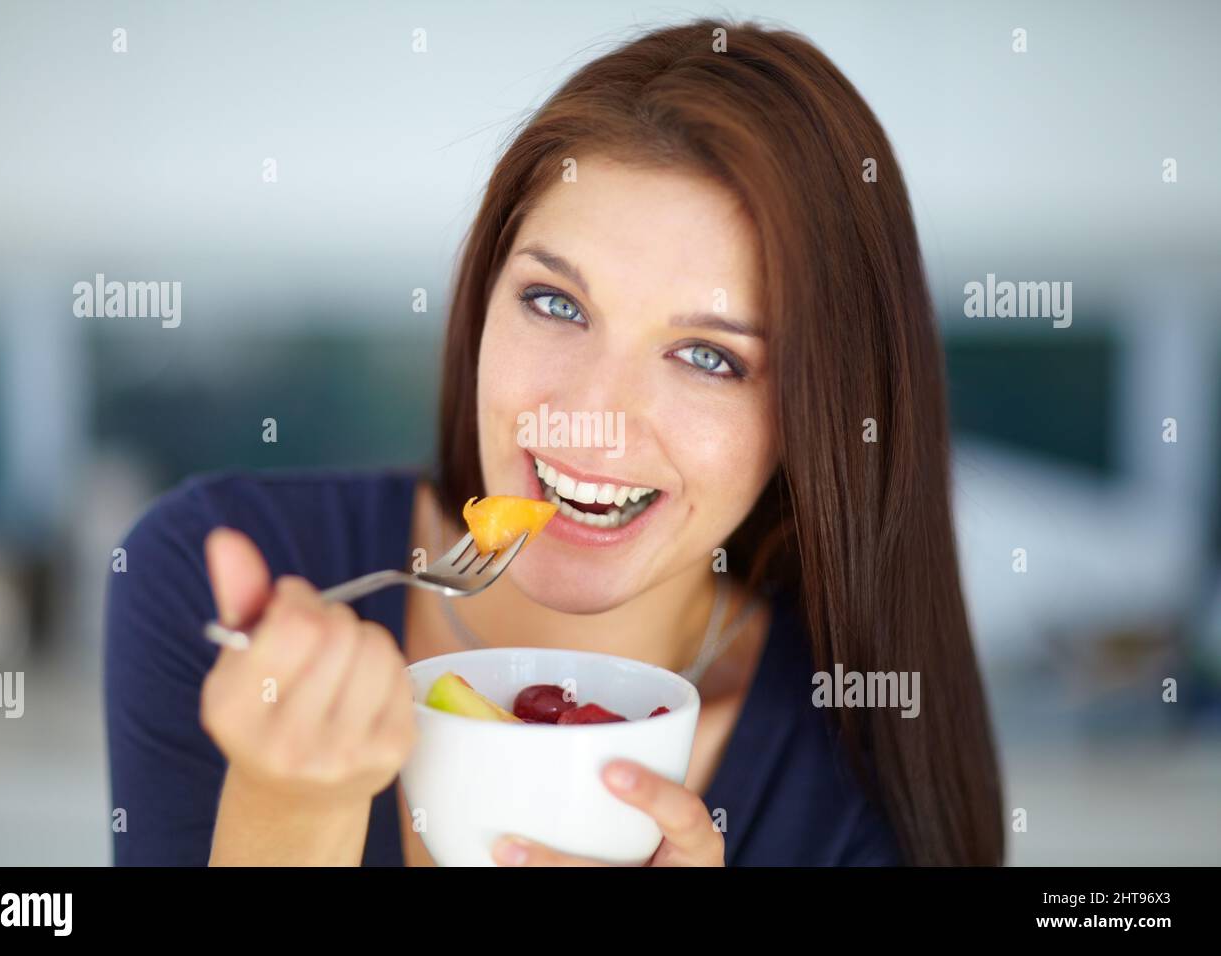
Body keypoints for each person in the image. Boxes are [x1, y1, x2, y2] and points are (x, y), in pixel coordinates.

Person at [105, 18, 1004, 866]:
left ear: (816, 412)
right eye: (556, 303)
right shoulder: (210, 575)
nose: (591, 413)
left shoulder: (852, 779)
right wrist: (290, 808)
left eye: (708, 356)